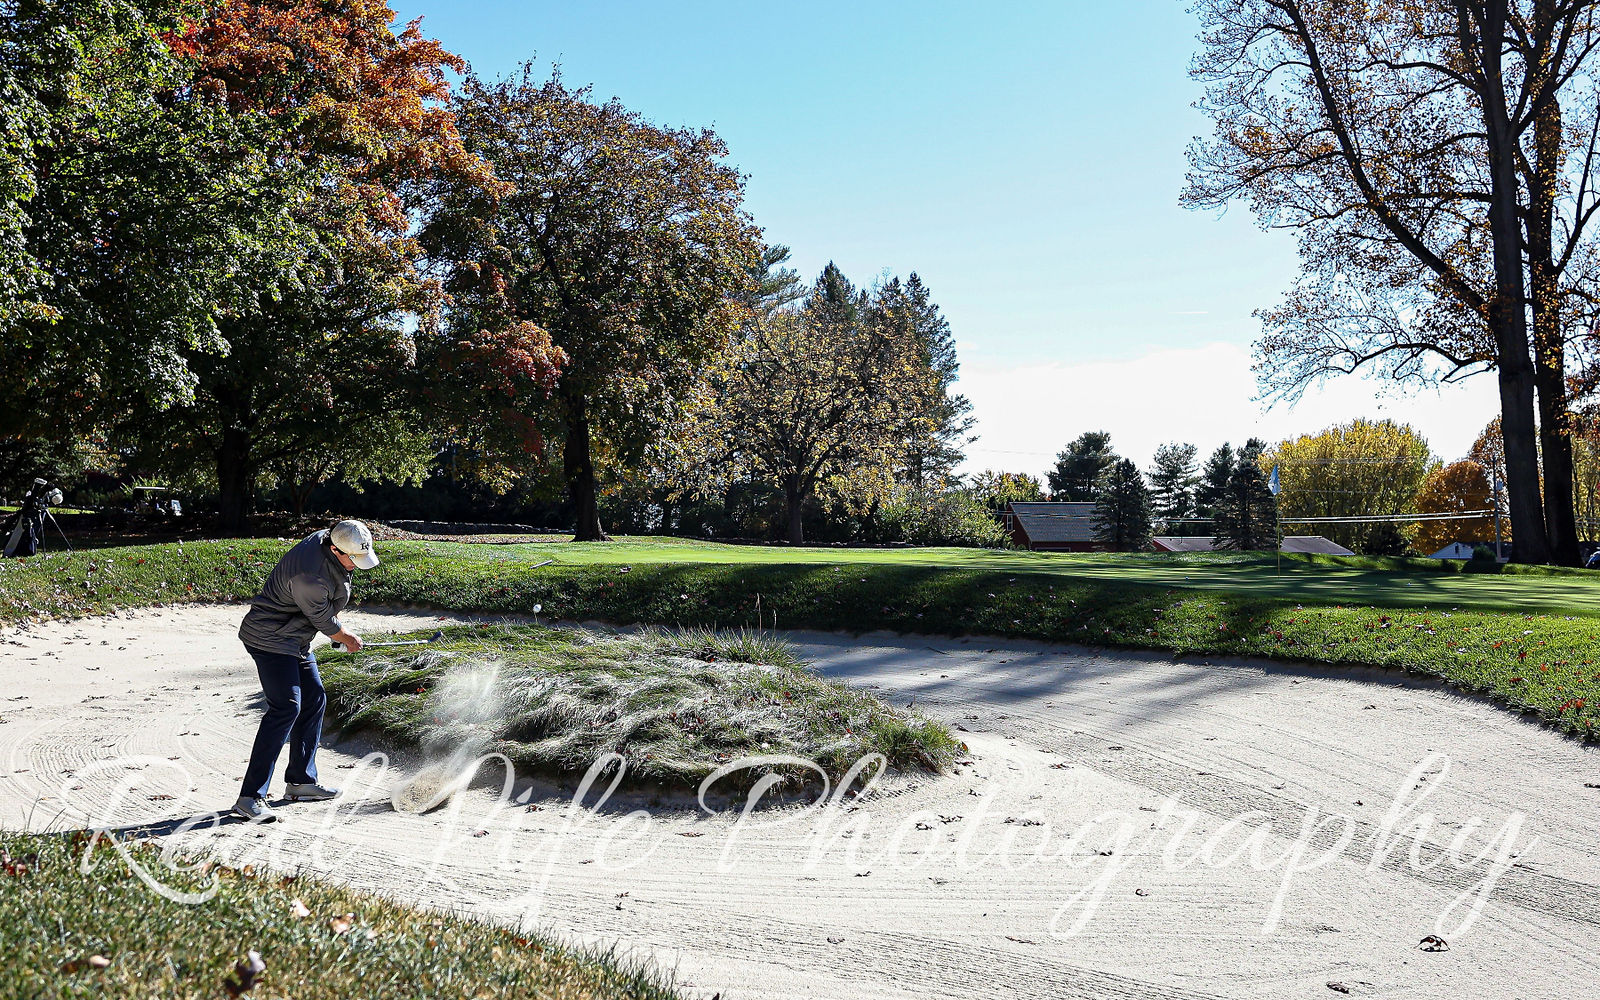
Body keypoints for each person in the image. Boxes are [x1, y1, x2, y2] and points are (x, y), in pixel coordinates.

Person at [231, 519, 379, 821]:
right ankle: (249, 797)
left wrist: (341, 635)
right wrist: (347, 639)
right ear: (335, 548)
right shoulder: (309, 578)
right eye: (352, 559)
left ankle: (300, 782)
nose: (355, 566)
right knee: (286, 708)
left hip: (294, 639)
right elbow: (326, 623)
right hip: (269, 638)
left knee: (314, 699)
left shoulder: (328, 539)